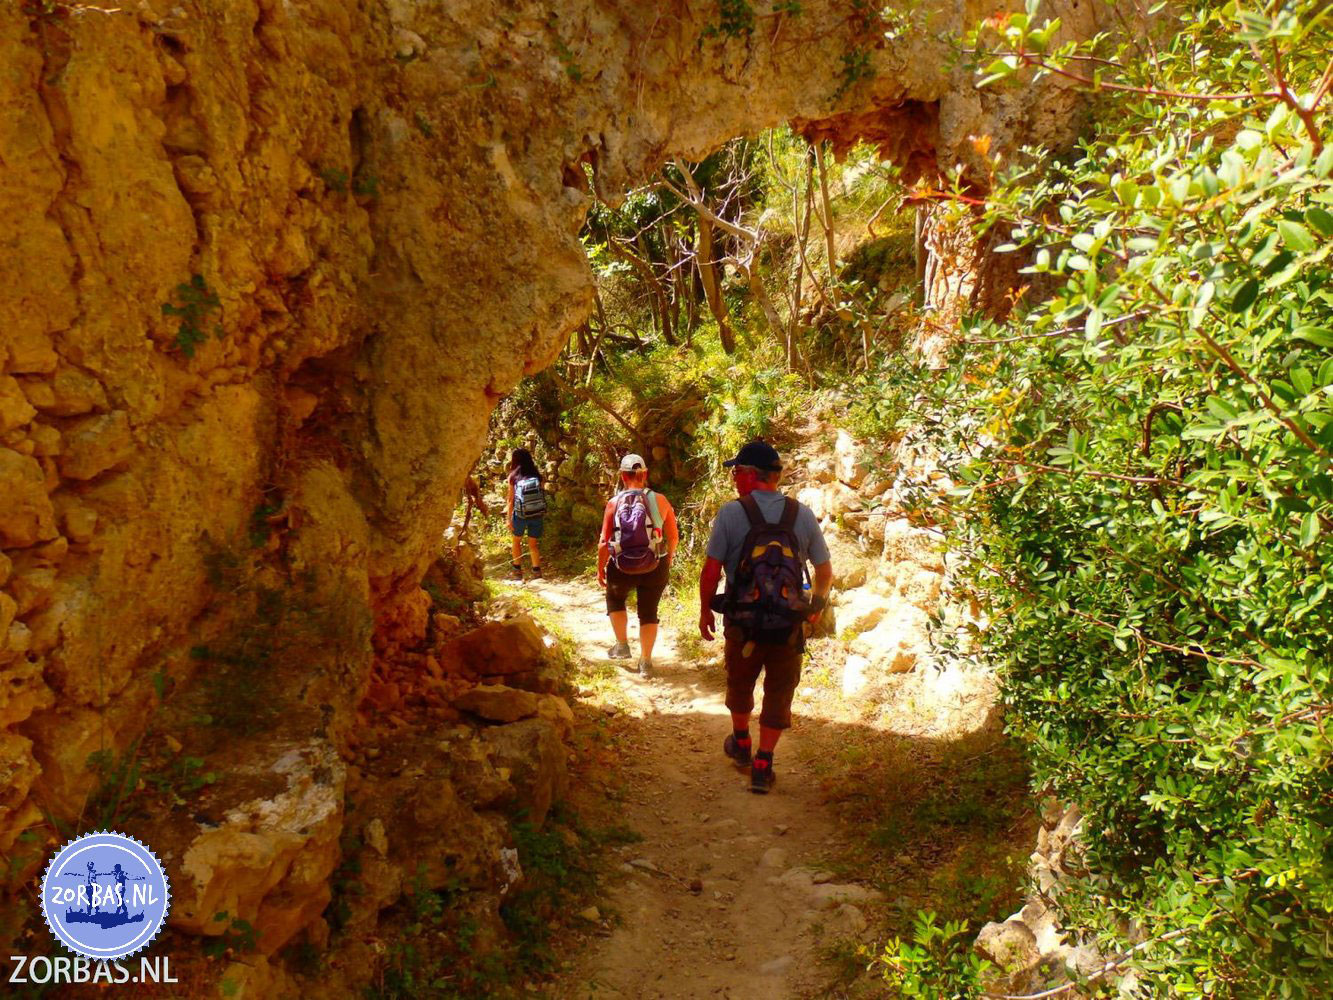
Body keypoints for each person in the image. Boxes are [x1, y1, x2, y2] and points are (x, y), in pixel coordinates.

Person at [698, 440, 832, 794]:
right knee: (779, 689)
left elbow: (711, 570)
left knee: (740, 681)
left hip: (743, 622)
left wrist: (704, 610)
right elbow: (824, 569)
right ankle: (763, 763)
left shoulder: (731, 513)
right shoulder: (800, 514)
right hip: (788, 625)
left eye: (735, 471)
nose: (733, 478)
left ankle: (741, 741)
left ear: (749, 476)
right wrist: (815, 607)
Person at [598, 453, 679, 676]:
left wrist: (600, 568)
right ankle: (645, 662)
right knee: (649, 611)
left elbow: (604, 542)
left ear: (623, 476)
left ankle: (622, 645)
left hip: (621, 565)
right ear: (645, 474)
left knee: (615, 599)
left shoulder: (614, 503)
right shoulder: (660, 500)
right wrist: (668, 558)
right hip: (655, 563)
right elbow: (673, 536)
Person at [507, 448, 545, 581]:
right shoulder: (537, 476)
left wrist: (509, 518)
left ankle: (517, 571)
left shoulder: (513, 477)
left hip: (520, 515)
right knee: (533, 544)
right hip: (536, 514)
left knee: (516, 541)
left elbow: (510, 499)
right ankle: (537, 572)